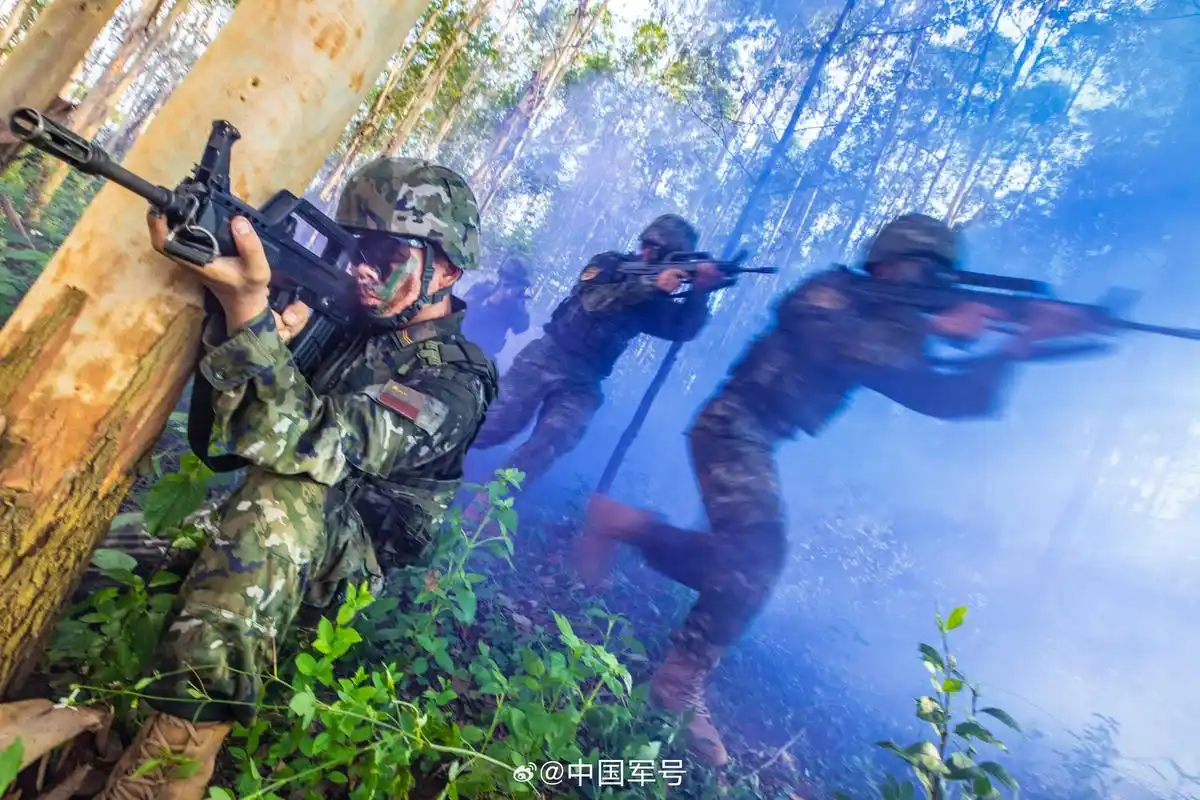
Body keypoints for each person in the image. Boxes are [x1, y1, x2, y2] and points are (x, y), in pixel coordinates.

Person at [574, 213, 1107, 767]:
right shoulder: (831, 291)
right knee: (758, 558)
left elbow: (948, 398)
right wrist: (936, 328)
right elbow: (836, 339)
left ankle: (618, 522)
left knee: (735, 564)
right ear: (890, 262)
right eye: (925, 272)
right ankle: (677, 683)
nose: (931, 289)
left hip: (759, 434)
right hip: (733, 421)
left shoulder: (894, 329)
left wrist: (1015, 348)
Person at [56, 157, 497, 800]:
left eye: (386, 251)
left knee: (280, 499)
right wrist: (251, 320)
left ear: (448, 269)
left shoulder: (456, 378)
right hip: (265, 508)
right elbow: (242, 427)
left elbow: (318, 446)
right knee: (104, 557)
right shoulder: (351, 319)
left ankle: (165, 774)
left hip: (348, 550)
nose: (363, 267)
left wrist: (250, 312)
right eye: (354, 247)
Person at [465, 214, 725, 503]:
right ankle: (426, 455)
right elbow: (592, 303)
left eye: (657, 249)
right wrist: (650, 286)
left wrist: (700, 293)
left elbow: (681, 328)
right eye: (647, 244)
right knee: (494, 426)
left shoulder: (656, 301)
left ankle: (486, 509)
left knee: (553, 440)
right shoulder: (610, 264)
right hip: (548, 356)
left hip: (585, 380)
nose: (647, 252)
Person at [461, 255, 533, 358]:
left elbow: (520, 328)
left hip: (485, 354)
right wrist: (490, 303)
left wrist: (518, 305)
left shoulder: (515, 305)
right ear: (502, 277)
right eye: (509, 281)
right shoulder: (482, 289)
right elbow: (462, 311)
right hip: (461, 344)